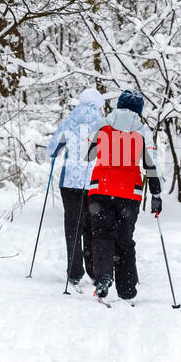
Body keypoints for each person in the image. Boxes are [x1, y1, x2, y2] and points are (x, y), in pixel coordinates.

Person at [86, 89, 162, 303]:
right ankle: (127, 290)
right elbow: (150, 164)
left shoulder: (102, 124)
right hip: (130, 193)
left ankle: (103, 279)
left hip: (101, 188)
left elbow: (88, 154)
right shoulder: (142, 130)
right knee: (124, 240)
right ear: (139, 110)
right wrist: (156, 194)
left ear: (118, 105)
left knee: (102, 235)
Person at [46, 87, 104, 288]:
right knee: (92, 227)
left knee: (73, 227)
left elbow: (52, 150)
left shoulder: (68, 123)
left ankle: (74, 271)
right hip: (94, 184)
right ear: (98, 105)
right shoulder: (103, 125)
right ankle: (94, 270)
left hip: (69, 183)